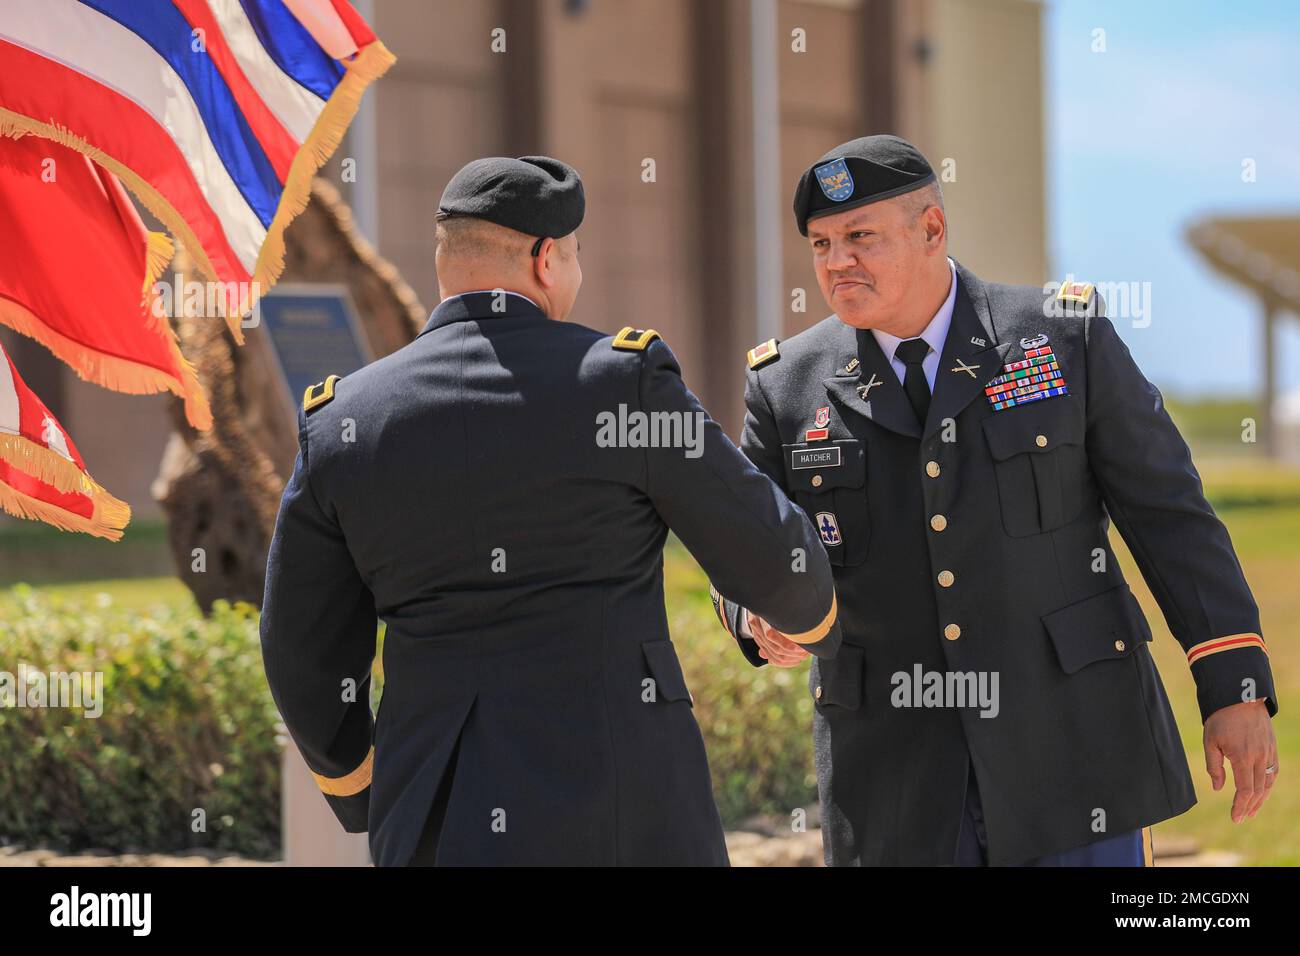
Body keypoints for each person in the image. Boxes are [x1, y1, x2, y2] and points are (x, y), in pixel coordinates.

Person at [712, 134, 1279, 866]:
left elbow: (1169, 516)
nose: (836, 261)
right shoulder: (785, 384)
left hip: (1074, 752)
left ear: (932, 230)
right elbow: (743, 542)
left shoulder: (1061, 336)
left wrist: (1231, 684)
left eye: (860, 237)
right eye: (821, 244)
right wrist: (754, 615)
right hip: (894, 780)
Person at [259, 155, 839, 866]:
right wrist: (813, 618)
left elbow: (300, 648)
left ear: (449, 263)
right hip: (623, 805)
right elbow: (772, 557)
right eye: (574, 256)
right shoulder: (621, 381)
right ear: (543, 260)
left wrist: (361, 787)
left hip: (435, 810)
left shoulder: (344, 417)